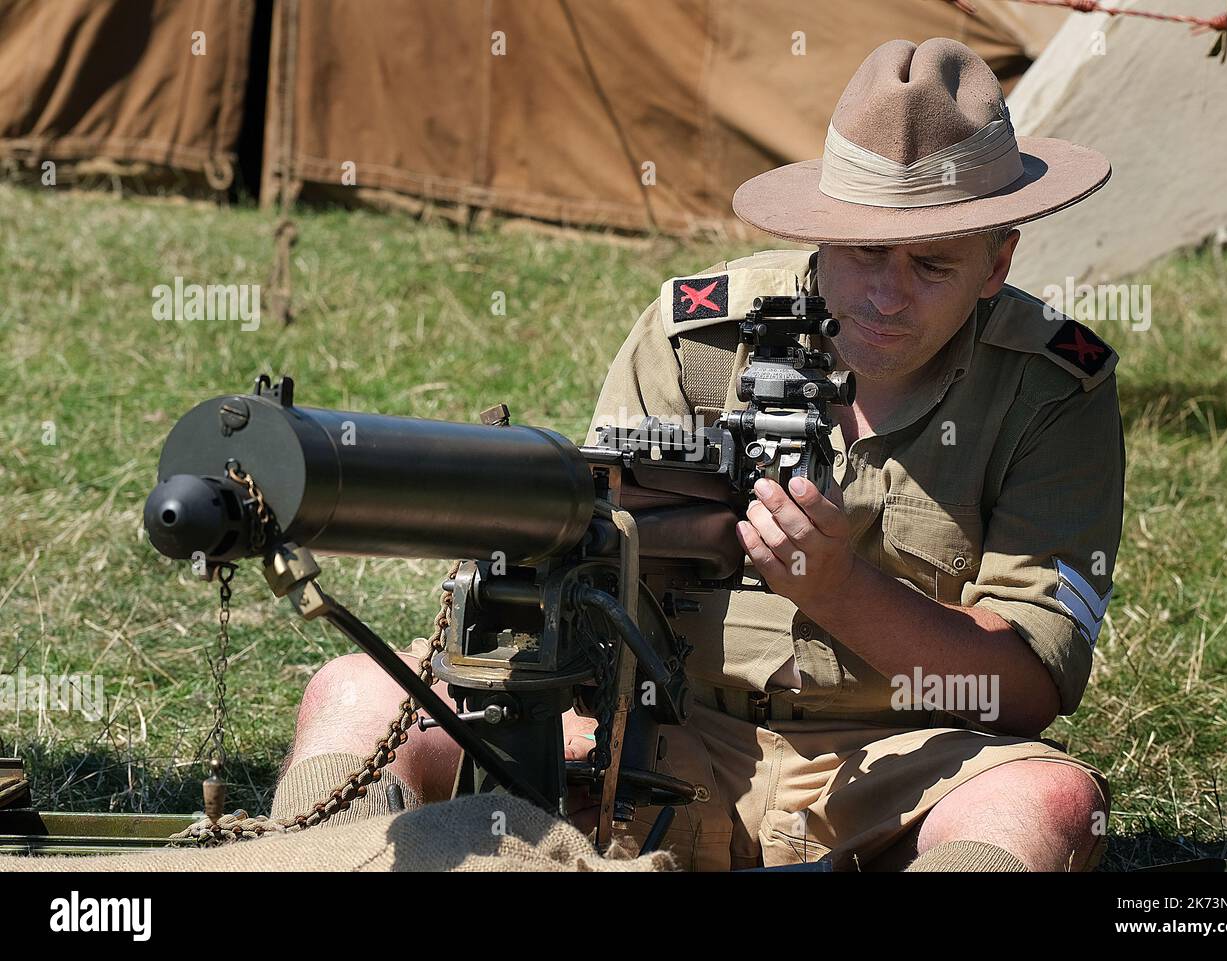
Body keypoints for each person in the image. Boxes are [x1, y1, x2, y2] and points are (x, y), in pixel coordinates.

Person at [271, 37, 1124, 872]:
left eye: (932, 264)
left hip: (905, 766)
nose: (888, 296)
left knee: (1044, 802)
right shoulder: (701, 340)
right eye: (864, 251)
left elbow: (1028, 686)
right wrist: (542, 555)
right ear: (822, 231)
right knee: (355, 695)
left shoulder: (1049, 390)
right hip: (658, 745)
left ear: (996, 260)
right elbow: (595, 578)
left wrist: (838, 590)